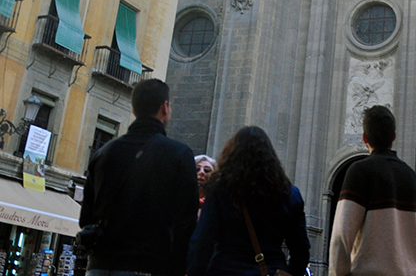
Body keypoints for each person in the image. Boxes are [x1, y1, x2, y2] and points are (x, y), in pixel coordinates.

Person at [79, 79, 198, 276]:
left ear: (133, 110)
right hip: (148, 265)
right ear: (165, 107)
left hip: (99, 266)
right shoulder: (179, 154)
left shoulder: (103, 153)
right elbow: (185, 224)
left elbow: (86, 218)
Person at [188, 126, 310, 276]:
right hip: (270, 270)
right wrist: (292, 272)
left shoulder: (221, 190)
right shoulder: (290, 194)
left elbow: (202, 240)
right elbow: (301, 249)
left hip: (226, 270)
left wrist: (194, 271)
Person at [329, 106, 416, 276]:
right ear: (394, 137)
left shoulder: (359, 172)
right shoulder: (414, 179)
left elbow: (341, 237)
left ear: (364, 138)